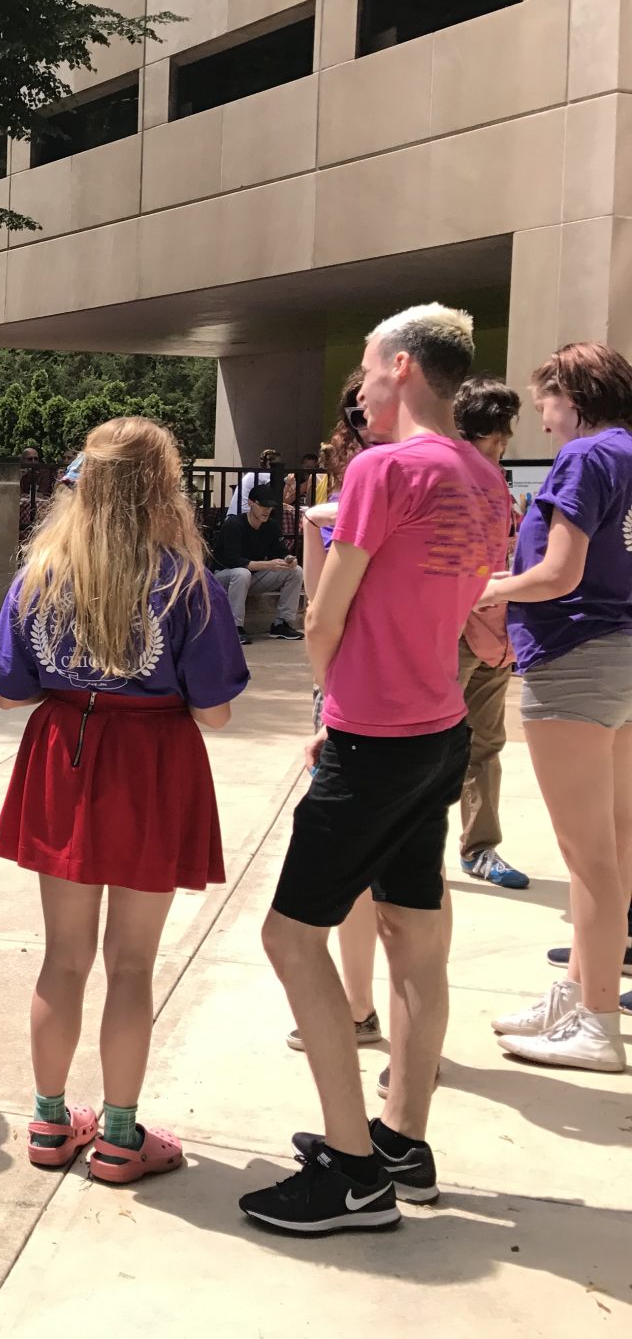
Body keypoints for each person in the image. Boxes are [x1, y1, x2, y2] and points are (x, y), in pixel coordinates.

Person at [241, 305, 508, 1236]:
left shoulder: (382, 469)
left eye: (364, 368)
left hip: (378, 739)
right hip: (438, 734)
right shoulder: (486, 477)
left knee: (290, 938)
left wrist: (334, 708)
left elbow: (325, 614)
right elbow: (481, 625)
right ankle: (403, 1142)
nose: (358, 386)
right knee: (415, 935)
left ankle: (352, 1172)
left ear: (400, 367)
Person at [0, 417, 247, 1183]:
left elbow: (9, 695)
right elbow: (216, 710)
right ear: (165, 490)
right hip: (153, 764)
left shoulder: (40, 574)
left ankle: (47, 1121)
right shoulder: (186, 582)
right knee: (131, 964)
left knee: (62, 959)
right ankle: (121, 1137)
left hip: (65, 758)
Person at [478, 342, 632, 1072]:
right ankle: (580, 995)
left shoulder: (585, 458)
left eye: (544, 399)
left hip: (574, 658)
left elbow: (559, 573)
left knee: (587, 855)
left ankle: (597, 1022)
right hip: (625, 658)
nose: (541, 417)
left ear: (572, 394)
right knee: (614, 845)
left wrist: (489, 588)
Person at [283, 370, 384, 1061]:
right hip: (430, 699)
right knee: (407, 869)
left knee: (350, 862)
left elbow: (321, 616)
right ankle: (370, 1008)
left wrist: (327, 701)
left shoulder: (334, 515)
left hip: (358, 698)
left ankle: (358, 1006)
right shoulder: (458, 488)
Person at [453, 377, 529, 891]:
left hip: (492, 631)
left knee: (485, 744)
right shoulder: (449, 476)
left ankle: (480, 848)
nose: (503, 442)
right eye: (499, 432)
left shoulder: (493, 481)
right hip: (454, 631)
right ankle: (400, 845)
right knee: (425, 743)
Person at [209, 483, 304, 644]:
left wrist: (289, 559)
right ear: (251, 503)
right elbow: (233, 561)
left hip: (251, 579)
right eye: (263, 506)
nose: (267, 510)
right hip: (223, 578)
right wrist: (267, 565)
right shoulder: (234, 525)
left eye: (270, 507)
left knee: (296, 571)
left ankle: (282, 623)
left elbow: (280, 551)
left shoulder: (271, 526)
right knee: (241, 573)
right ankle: (234, 627)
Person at [226, 446, 284, 517]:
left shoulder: (254, 474)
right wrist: (288, 483)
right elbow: (279, 496)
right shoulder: (265, 475)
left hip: (234, 514)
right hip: (245, 516)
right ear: (269, 464)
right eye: (278, 464)